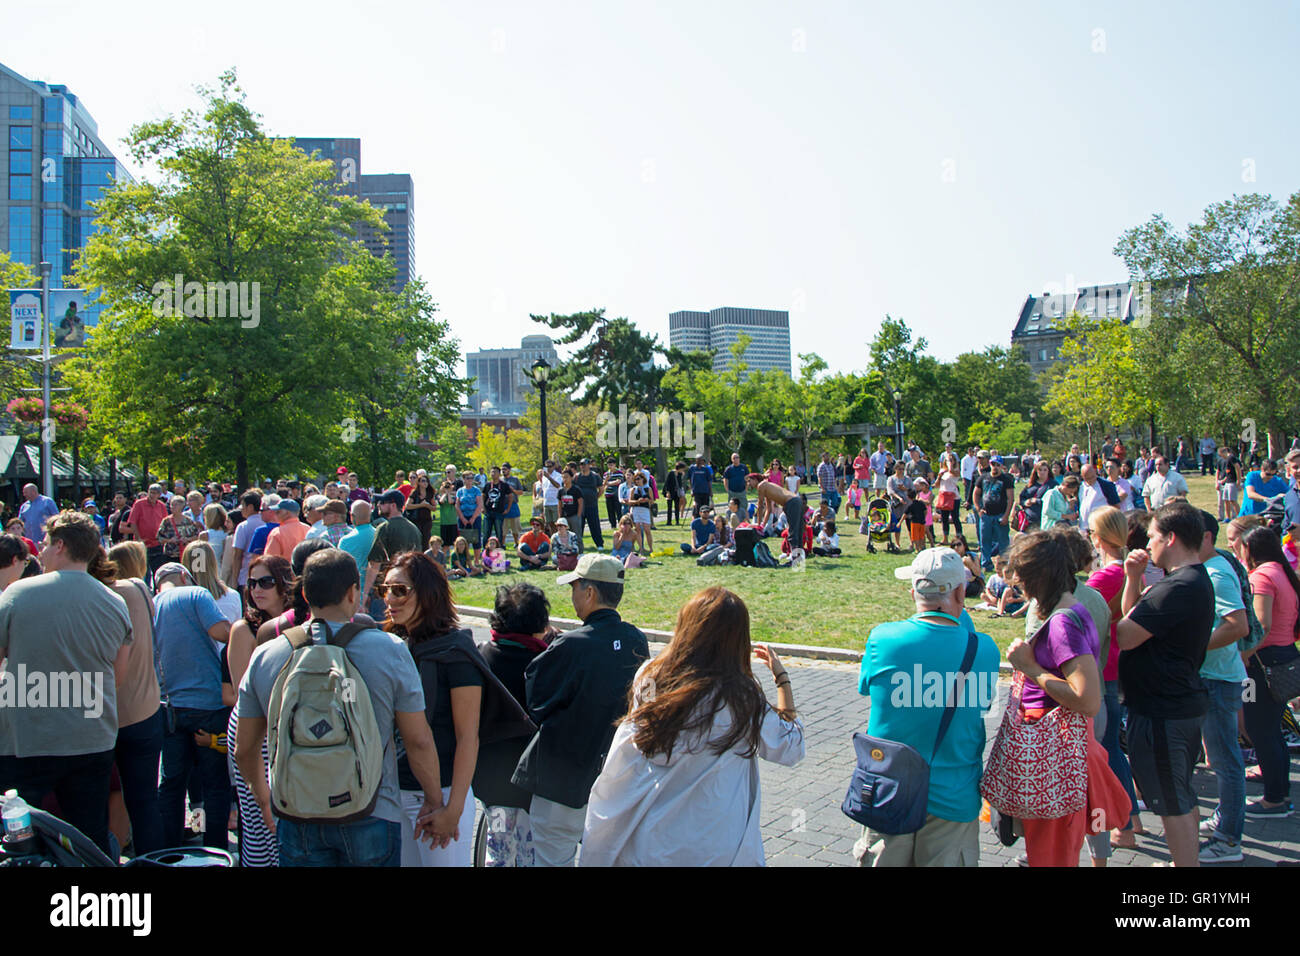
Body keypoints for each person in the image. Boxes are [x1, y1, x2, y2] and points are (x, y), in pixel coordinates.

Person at [234, 548, 447, 867]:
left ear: (304, 593)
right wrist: (433, 799)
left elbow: (244, 747)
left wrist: (263, 796)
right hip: (372, 808)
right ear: (353, 592)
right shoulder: (389, 650)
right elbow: (418, 740)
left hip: (296, 811)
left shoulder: (267, 655)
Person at [582, 588, 804, 866]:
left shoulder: (650, 676)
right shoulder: (743, 697)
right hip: (716, 845)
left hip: (651, 839)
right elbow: (791, 747)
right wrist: (782, 678)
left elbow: (637, 738)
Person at [854, 549, 1000, 866]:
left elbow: (867, 688)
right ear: (961, 591)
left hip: (889, 790)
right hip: (954, 795)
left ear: (914, 592)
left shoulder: (882, 639)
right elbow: (982, 705)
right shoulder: (984, 649)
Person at [0, 513, 133, 855]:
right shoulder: (114, 602)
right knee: (86, 838)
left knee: (20, 840)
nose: (40, 553)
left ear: (60, 545)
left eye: (44, 545)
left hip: (27, 739)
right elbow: (118, 677)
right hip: (91, 737)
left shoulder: (17, 594)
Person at [511, 554, 649, 866]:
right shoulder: (636, 640)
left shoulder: (570, 646)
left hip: (562, 780)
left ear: (589, 593)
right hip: (613, 780)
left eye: (575, 588)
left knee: (551, 859)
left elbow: (537, 704)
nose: (572, 596)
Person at [1116, 500, 1215, 867]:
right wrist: (1132, 578)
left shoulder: (1177, 588)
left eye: (1153, 537)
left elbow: (1125, 633)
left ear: (1171, 538)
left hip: (1163, 711)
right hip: (1173, 705)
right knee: (1180, 794)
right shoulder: (1183, 582)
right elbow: (1134, 615)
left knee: (1172, 803)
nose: (1148, 544)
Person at [1002, 531, 1107, 866]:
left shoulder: (1062, 626)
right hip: (1061, 759)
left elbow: (1087, 699)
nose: (1016, 580)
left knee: (1052, 856)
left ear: (1041, 576)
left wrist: (1031, 669)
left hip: (1055, 764)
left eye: (1021, 573)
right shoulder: (1073, 611)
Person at [379, 553, 485, 866]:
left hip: (444, 795)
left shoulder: (456, 650)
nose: (389, 599)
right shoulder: (394, 645)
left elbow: (469, 737)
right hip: (395, 793)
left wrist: (452, 809)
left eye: (400, 590)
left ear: (428, 593)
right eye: (385, 590)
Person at [152, 560, 234, 851]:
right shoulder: (196, 594)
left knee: (171, 785)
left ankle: (170, 851)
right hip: (209, 704)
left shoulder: (150, 607)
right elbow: (222, 632)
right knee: (215, 785)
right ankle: (215, 850)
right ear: (185, 576)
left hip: (169, 708)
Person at [222, 554, 293, 866]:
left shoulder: (297, 625)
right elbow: (243, 693)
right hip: (256, 734)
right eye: (252, 583)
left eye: (266, 582)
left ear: (284, 584)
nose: (257, 589)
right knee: (260, 822)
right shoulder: (243, 629)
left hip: (290, 734)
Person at [477, 583, 554, 866]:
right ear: (539, 623)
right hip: (532, 777)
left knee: (497, 848)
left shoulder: (481, 656)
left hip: (490, 775)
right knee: (529, 850)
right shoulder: (546, 661)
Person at [1083, 507, 1142, 847]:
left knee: (1106, 751)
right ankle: (1130, 819)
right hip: (1117, 662)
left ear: (1100, 538)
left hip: (1103, 666)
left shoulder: (1105, 577)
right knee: (1114, 748)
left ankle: (1125, 825)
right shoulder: (1129, 572)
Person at [1195, 511, 1250, 862]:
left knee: (1226, 761)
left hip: (1219, 681)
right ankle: (1225, 818)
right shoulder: (1208, 569)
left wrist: (1193, 647)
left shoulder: (1216, 573)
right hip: (1214, 678)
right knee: (1221, 758)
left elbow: (1238, 625)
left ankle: (1229, 839)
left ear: (1202, 536)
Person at [1240, 526, 1300, 820]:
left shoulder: (1262, 576)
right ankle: (1277, 786)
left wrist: (1244, 656)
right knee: (1270, 729)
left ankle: (1275, 799)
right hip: (1283, 656)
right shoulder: (1281, 570)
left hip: (1262, 665)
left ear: (1249, 549)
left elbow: (1261, 624)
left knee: (1259, 727)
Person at [973, 456, 1015, 571]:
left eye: (997, 465)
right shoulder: (983, 478)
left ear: (1001, 466)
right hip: (986, 515)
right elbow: (976, 493)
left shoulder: (1006, 480)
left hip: (1000, 514)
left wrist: (1006, 515)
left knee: (1003, 541)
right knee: (985, 540)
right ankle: (986, 563)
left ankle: (1003, 563)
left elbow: (1010, 498)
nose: (995, 467)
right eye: (993, 464)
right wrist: (978, 508)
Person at [572, 459, 604, 551]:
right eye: (581, 464)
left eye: (584, 464)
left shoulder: (595, 476)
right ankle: (577, 545)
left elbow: (601, 489)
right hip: (579, 506)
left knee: (595, 525)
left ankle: (599, 544)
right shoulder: (577, 477)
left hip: (592, 505)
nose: (582, 466)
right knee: (578, 526)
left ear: (589, 465)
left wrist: (595, 497)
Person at [627, 472, 654, 555]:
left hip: (645, 510)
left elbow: (652, 500)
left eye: (638, 479)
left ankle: (650, 548)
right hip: (636, 510)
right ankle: (641, 548)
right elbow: (629, 501)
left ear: (643, 479)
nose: (637, 481)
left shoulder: (648, 488)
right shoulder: (633, 489)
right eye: (635, 479)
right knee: (638, 529)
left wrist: (647, 500)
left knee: (647, 530)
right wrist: (637, 501)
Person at [1216, 445, 1242, 521]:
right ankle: (1228, 517)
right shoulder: (1226, 459)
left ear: (1224, 453)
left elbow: (1237, 468)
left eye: (1221, 455)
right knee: (1226, 500)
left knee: (1232, 500)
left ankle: (1240, 516)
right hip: (1227, 482)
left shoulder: (1231, 458)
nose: (1221, 457)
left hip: (1232, 482)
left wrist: (1238, 480)